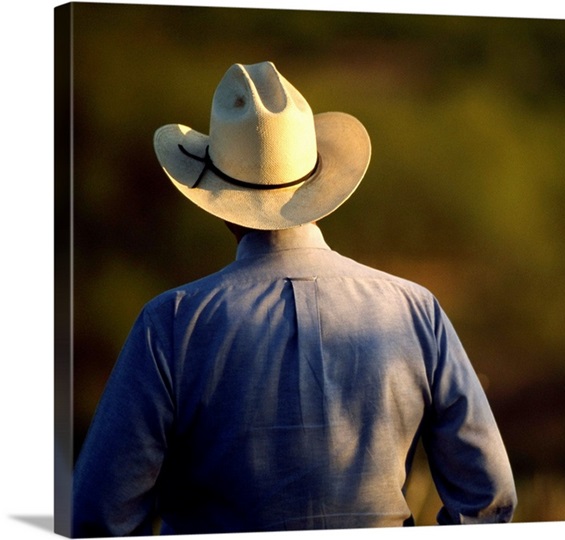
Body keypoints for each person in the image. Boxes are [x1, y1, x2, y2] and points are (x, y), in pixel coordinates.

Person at [71, 61, 517, 536]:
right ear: (315, 185)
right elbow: (487, 498)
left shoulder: (172, 322)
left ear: (218, 200)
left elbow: (103, 515)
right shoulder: (415, 310)